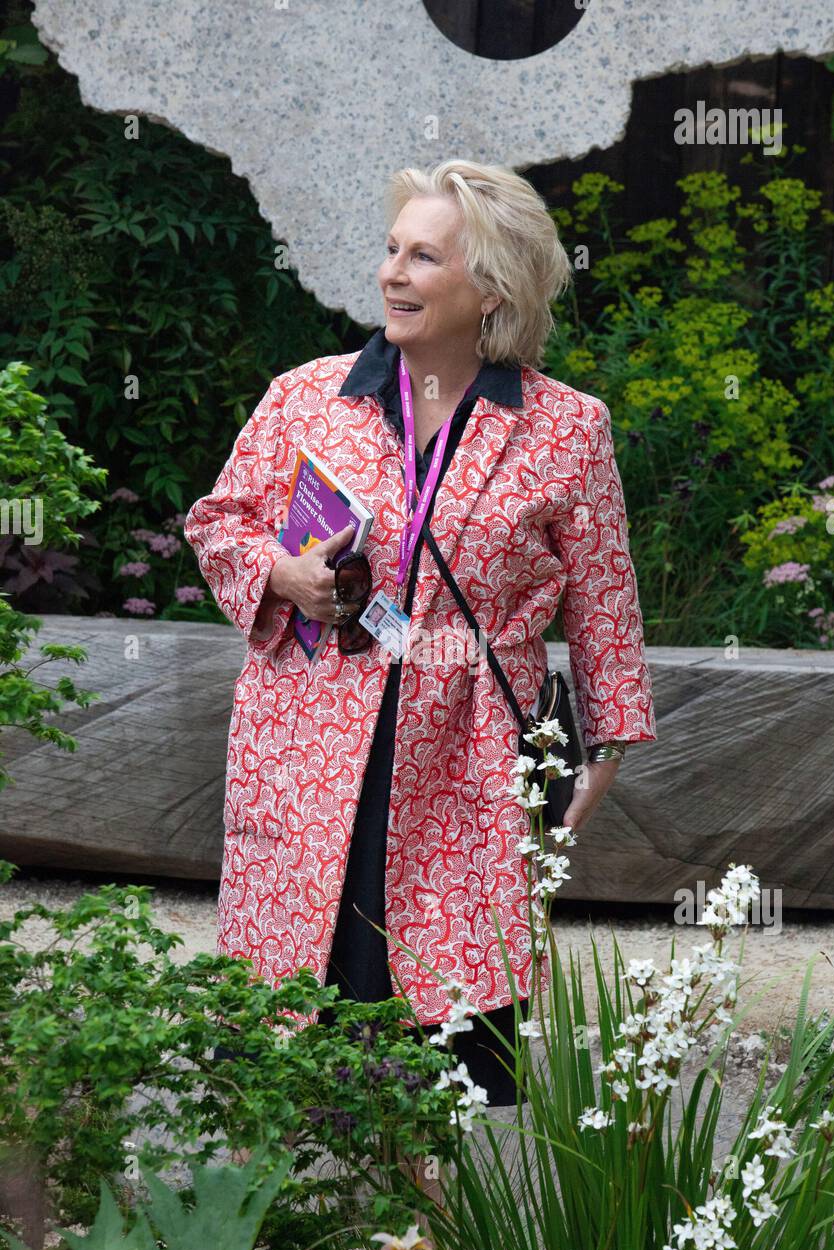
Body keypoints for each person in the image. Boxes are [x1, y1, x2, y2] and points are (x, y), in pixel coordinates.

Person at [184, 158, 657, 1126]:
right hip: (310, 740)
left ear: (492, 286)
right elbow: (216, 522)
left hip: (471, 755)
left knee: (442, 1026)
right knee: (301, 1005)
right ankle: (301, 1234)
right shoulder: (308, 395)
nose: (392, 274)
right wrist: (284, 574)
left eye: (423, 256)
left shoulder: (567, 428)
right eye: (391, 250)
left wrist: (580, 789)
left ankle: (419, 1238)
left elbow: (605, 613)